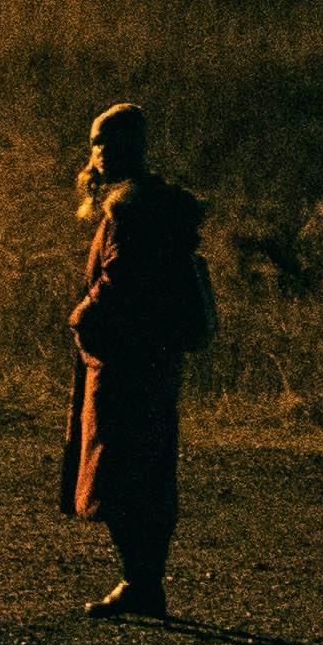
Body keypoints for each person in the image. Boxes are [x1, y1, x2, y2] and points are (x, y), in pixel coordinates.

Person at [64, 100, 209, 618]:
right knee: (145, 469)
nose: (95, 153)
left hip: (125, 364)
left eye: (102, 142)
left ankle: (139, 583)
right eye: (94, 143)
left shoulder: (130, 213)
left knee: (118, 469)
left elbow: (121, 281)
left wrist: (84, 316)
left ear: (123, 147)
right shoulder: (153, 207)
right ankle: (144, 582)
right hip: (153, 362)